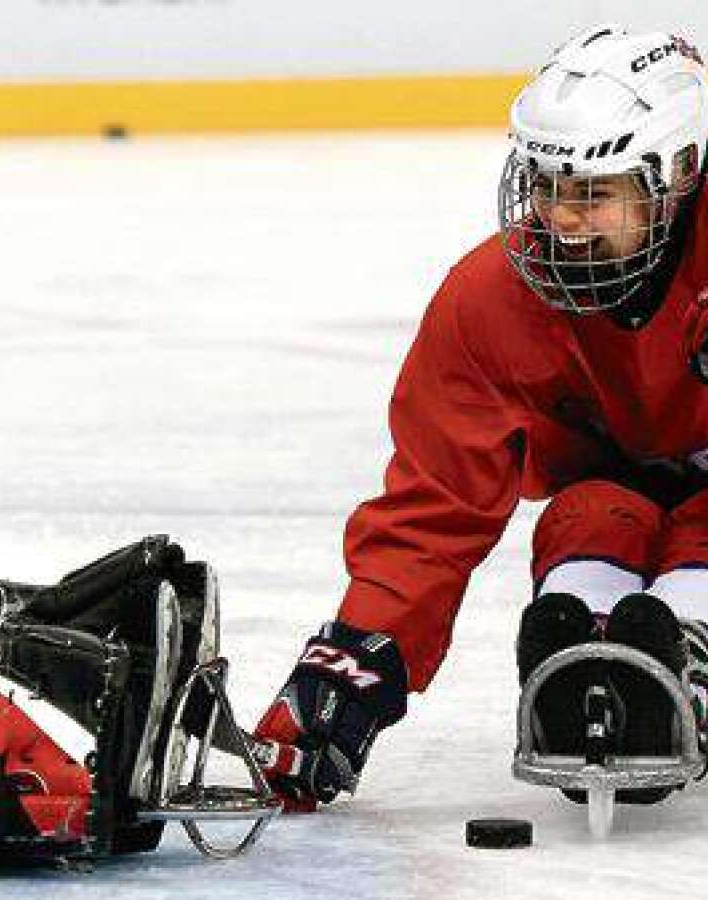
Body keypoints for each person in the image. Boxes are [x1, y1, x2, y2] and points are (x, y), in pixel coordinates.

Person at [253, 24, 708, 810]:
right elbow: (436, 503)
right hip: (619, 488)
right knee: (589, 517)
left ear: (679, 174)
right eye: (547, 186)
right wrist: (358, 660)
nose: (562, 220)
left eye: (594, 194)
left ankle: (688, 649)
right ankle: (594, 659)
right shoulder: (489, 301)